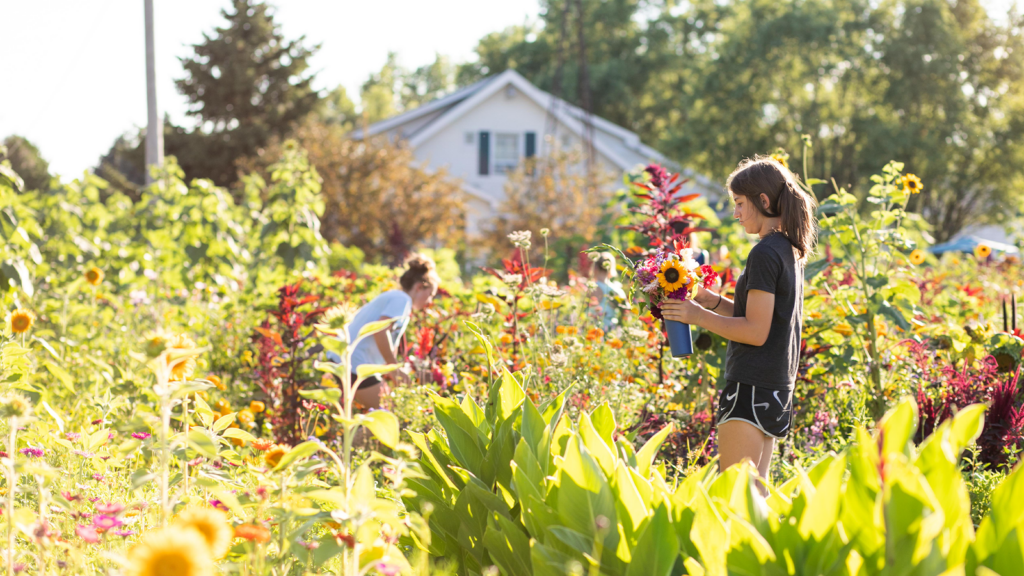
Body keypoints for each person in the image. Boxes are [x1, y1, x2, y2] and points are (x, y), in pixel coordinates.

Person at [661, 155, 816, 495]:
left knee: (735, 500)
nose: (736, 213)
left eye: (740, 204)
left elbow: (755, 332)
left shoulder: (763, 254)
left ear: (763, 201)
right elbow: (761, 319)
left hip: (750, 388)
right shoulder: (787, 250)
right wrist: (706, 299)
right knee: (755, 499)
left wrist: (695, 317)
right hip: (775, 389)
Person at [344, 254, 440, 409]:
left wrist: (393, 370)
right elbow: (380, 330)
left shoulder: (397, 299)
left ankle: (351, 435)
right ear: (419, 287)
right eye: (430, 295)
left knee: (385, 415)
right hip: (354, 363)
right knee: (391, 415)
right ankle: (352, 435)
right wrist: (394, 369)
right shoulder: (402, 300)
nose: (429, 302)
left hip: (350, 361)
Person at [591, 252, 626, 330]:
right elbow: (625, 311)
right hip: (611, 328)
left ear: (595, 267)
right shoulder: (618, 290)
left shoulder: (592, 288)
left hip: (593, 330)